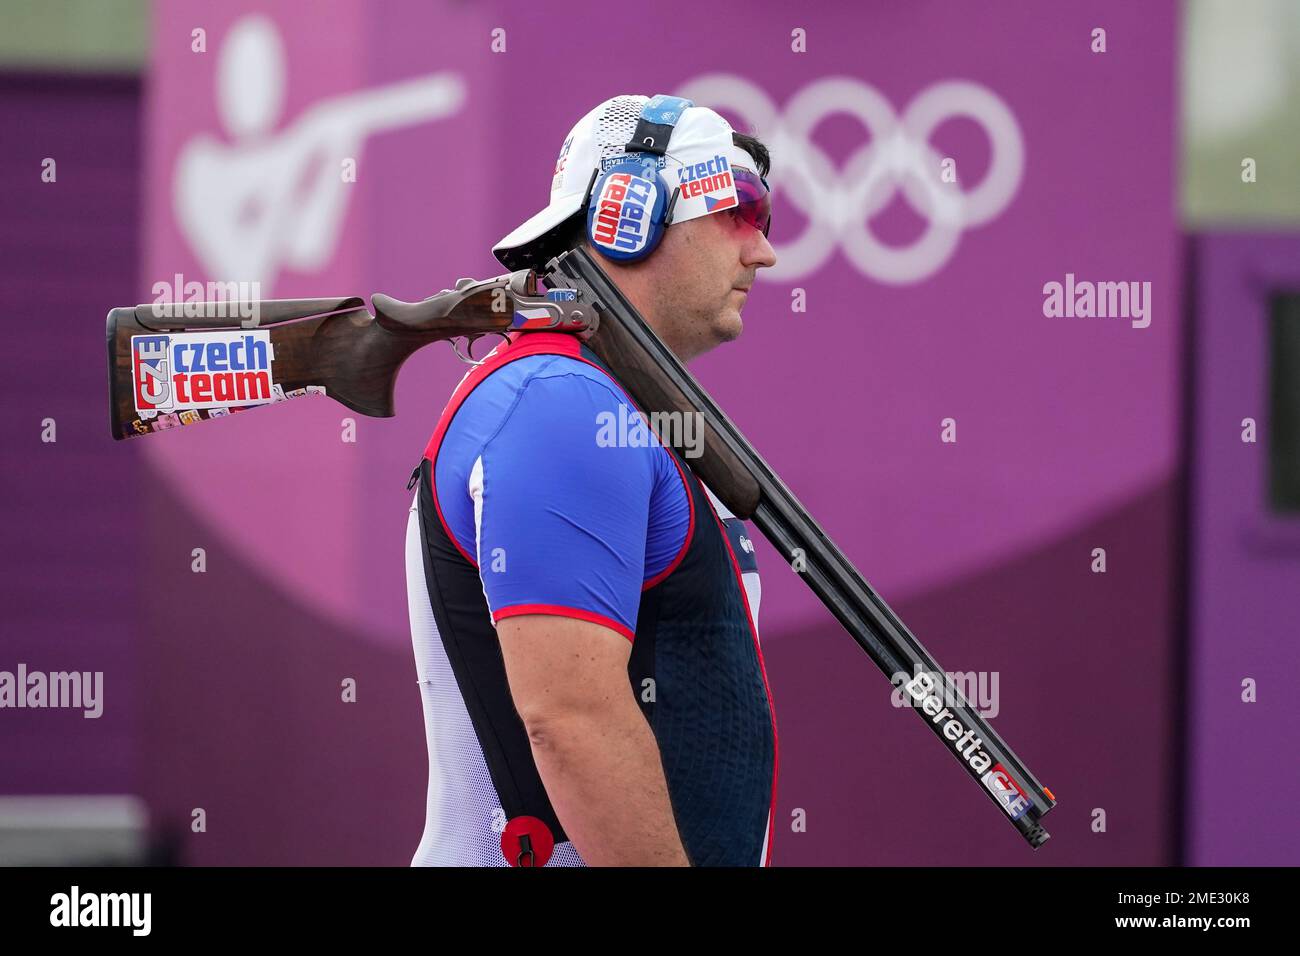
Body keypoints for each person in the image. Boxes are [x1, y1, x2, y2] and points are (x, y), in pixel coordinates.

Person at [404, 94, 778, 867]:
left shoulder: (602, 404)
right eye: (738, 215)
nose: (762, 253)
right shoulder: (562, 403)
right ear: (627, 215)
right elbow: (571, 719)